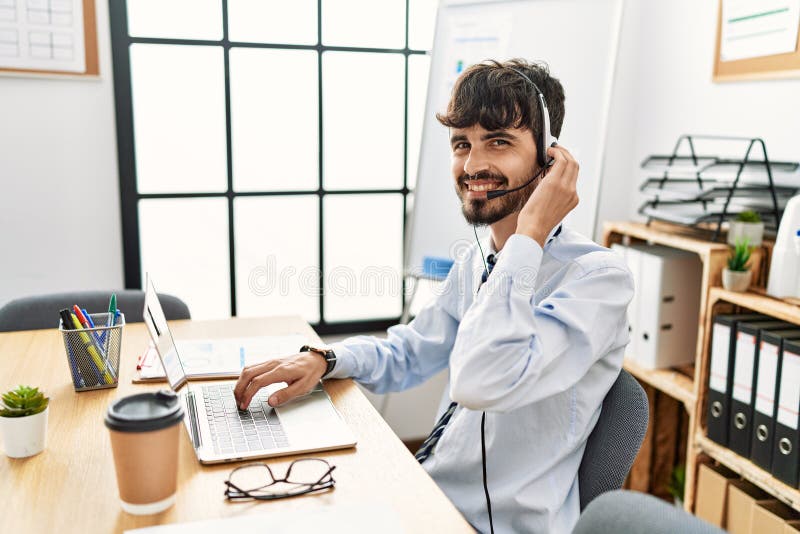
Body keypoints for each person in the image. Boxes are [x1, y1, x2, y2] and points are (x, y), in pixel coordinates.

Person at [234, 58, 634, 533]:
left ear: (550, 160)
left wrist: (528, 236)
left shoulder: (597, 280)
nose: (473, 165)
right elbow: (410, 352)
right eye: (461, 144)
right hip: (426, 495)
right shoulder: (476, 262)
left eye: (498, 141)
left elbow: (481, 380)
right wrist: (327, 358)